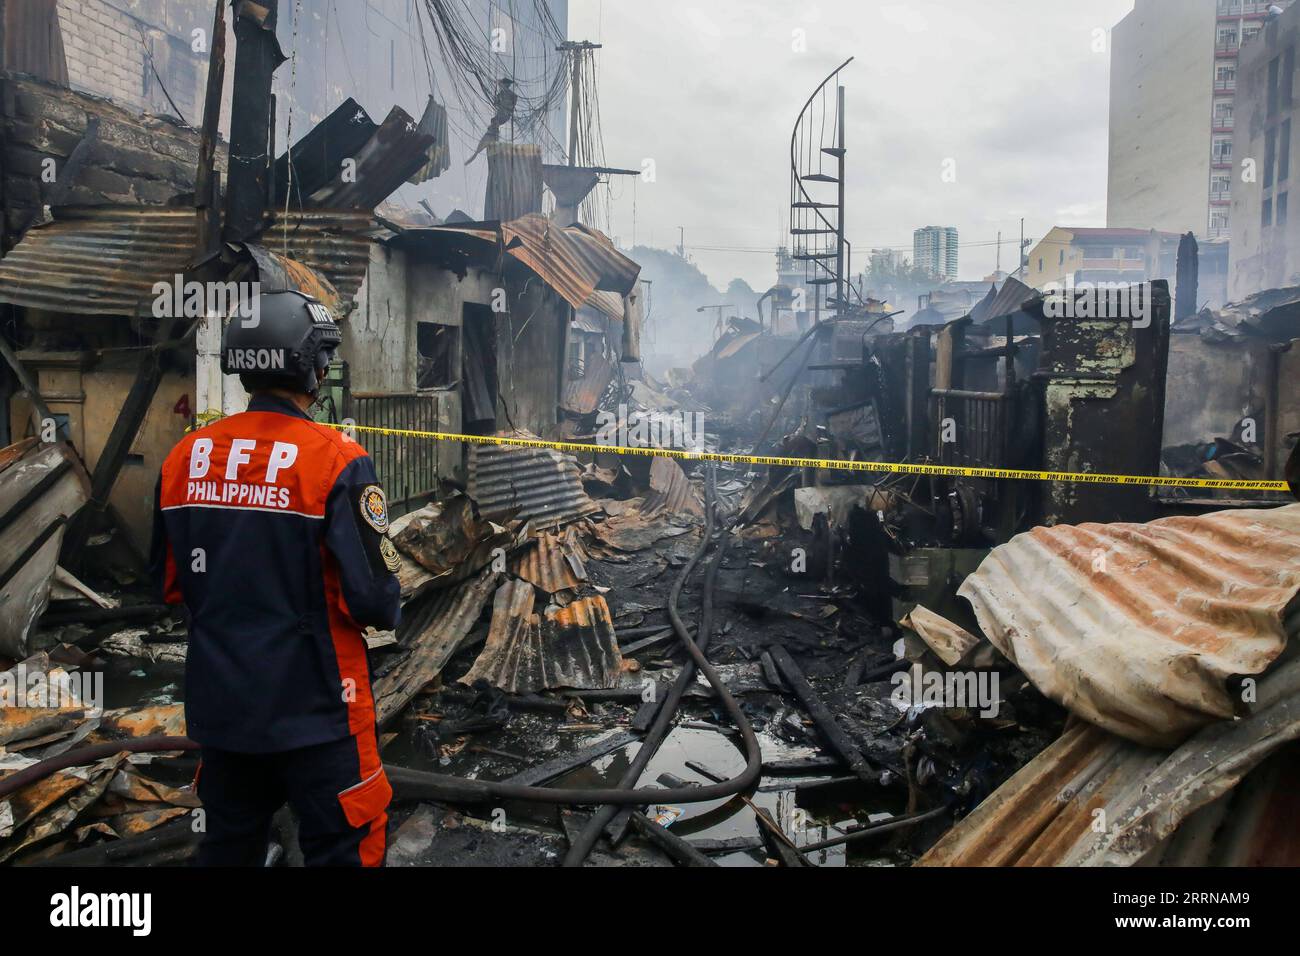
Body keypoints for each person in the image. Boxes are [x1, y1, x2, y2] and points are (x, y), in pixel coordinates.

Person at [151, 290, 402, 866]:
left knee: (229, 846)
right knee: (345, 844)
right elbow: (373, 600)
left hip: (223, 711)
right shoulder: (337, 458)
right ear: (313, 367)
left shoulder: (184, 457)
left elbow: (169, 585)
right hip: (320, 709)